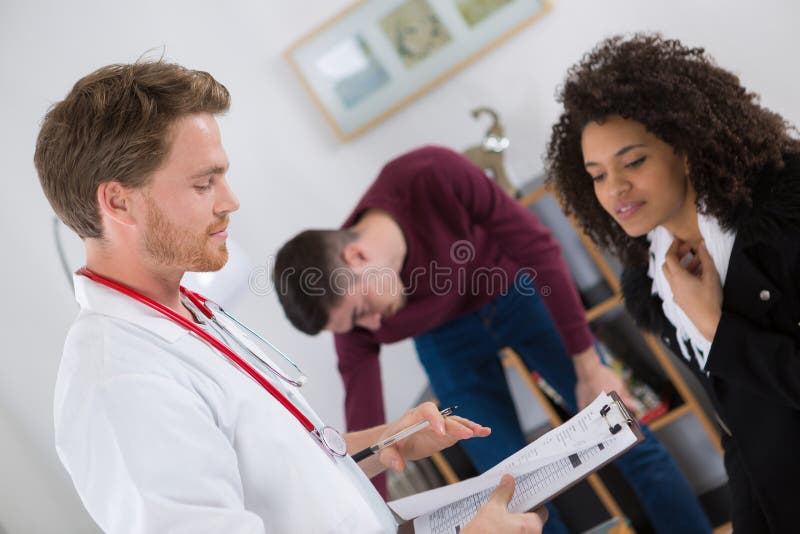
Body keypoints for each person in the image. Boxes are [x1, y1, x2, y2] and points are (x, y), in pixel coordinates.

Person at [35, 60, 548, 533]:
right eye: (203, 183)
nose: (230, 201)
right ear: (119, 201)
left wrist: (385, 441)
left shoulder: (189, 317)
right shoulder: (120, 381)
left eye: (223, 175)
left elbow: (288, 471)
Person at [273, 145, 711, 533]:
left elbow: (538, 248)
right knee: (507, 490)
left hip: (511, 291)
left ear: (357, 256)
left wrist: (588, 365)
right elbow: (371, 436)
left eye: (362, 311)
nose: (370, 329)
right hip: (445, 341)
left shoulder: (430, 174)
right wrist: (374, 515)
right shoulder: (352, 310)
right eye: (354, 327)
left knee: (616, 427)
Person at [545, 33, 800, 533]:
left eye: (633, 162)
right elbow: (744, 430)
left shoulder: (785, 221)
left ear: (685, 147)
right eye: (596, 174)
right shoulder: (656, 286)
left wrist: (714, 324)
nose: (615, 190)